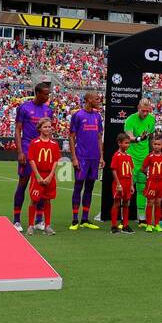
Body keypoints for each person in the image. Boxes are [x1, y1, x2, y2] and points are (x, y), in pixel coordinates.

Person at [11, 81, 54, 231]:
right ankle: (16, 220)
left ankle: (39, 219)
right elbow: (17, 130)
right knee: (22, 184)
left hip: (43, 153)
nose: (48, 96)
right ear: (38, 93)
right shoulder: (24, 107)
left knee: (42, 184)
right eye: (46, 93)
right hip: (28, 148)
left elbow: (49, 132)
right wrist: (20, 151)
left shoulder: (48, 110)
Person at [67, 91, 103, 230]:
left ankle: (85, 219)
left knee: (90, 187)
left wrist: (101, 156)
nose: (98, 100)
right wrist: (74, 157)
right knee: (78, 187)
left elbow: (99, 137)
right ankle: (75, 219)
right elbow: (71, 137)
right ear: (88, 99)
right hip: (81, 157)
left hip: (94, 157)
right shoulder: (78, 115)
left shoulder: (97, 116)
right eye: (96, 98)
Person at [121, 97, 157, 223]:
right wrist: (139, 139)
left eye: (148, 111)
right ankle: (123, 217)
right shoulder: (130, 119)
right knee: (127, 188)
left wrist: (153, 152)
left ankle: (141, 217)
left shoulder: (152, 119)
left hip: (144, 159)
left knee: (142, 188)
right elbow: (128, 137)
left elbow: (152, 138)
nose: (145, 113)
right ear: (138, 109)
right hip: (131, 159)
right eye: (143, 111)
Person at [25, 119, 62, 236]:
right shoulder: (34, 142)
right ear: (40, 128)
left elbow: (56, 160)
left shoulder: (54, 144)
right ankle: (30, 225)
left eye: (49, 127)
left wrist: (51, 176)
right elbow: (31, 159)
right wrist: (37, 176)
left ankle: (47, 225)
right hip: (38, 175)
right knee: (34, 200)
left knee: (47, 199)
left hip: (49, 176)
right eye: (45, 127)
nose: (48, 129)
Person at [141, 137, 162, 232]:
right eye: (155, 144)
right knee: (150, 202)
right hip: (151, 183)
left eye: (159, 144)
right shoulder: (149, 157)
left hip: (161, 183)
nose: (157, 146)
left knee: (158, 203)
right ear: (152, 145)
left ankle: (157, 224)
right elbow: (143, 168)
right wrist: (149, 174)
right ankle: (149, 224)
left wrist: (160, 174)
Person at [110, 132, 136, 234]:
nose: (128, 145)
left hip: (127, 182)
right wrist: (118, 184)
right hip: (119, 183)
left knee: (126, 203)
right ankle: (113, 226)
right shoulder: (116, 155)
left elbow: (130, 171)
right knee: (116, 203)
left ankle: (125, 225)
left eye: (129, 143)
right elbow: (114, 170)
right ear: (119, 143)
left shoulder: (129, 156)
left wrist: (131, 185)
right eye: (126, 143)